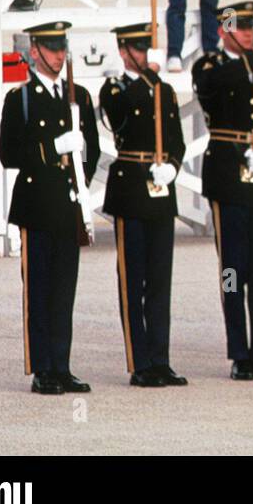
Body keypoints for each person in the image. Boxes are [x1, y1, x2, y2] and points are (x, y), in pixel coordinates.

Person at [191, 0, 253, 379]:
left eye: (252, 27)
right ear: (224, 31)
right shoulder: (210, 67)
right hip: (227, 174)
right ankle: (239, 352)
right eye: (241, 27)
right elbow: (216, 88)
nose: (249, 33)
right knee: (232, 269)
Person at [0, 21, 99, 394]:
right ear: (36, 50)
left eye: (62, 48)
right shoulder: (20, 99)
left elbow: (93, 151)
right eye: (52, 48)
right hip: (36, 205)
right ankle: (42, 368)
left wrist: (80, 176)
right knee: (39, 289)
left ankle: (61, 364)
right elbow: (8, 154)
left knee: (63, 290)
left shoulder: (79, 98)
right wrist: (52, 149)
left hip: (67, 206)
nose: (59, 55)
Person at [99, 23, 187, 387]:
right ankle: (139, 362)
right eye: (136, 49)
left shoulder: (163, 91)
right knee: (132, 280)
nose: (143, 54)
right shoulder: (116, 88)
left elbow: (177, 141)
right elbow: (117, 114)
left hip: (160, 189)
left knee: (160, 281)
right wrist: (145, 83)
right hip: (131, 188)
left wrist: (173, 167)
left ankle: (161, 359)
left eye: (146, 48)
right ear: (123, 51)